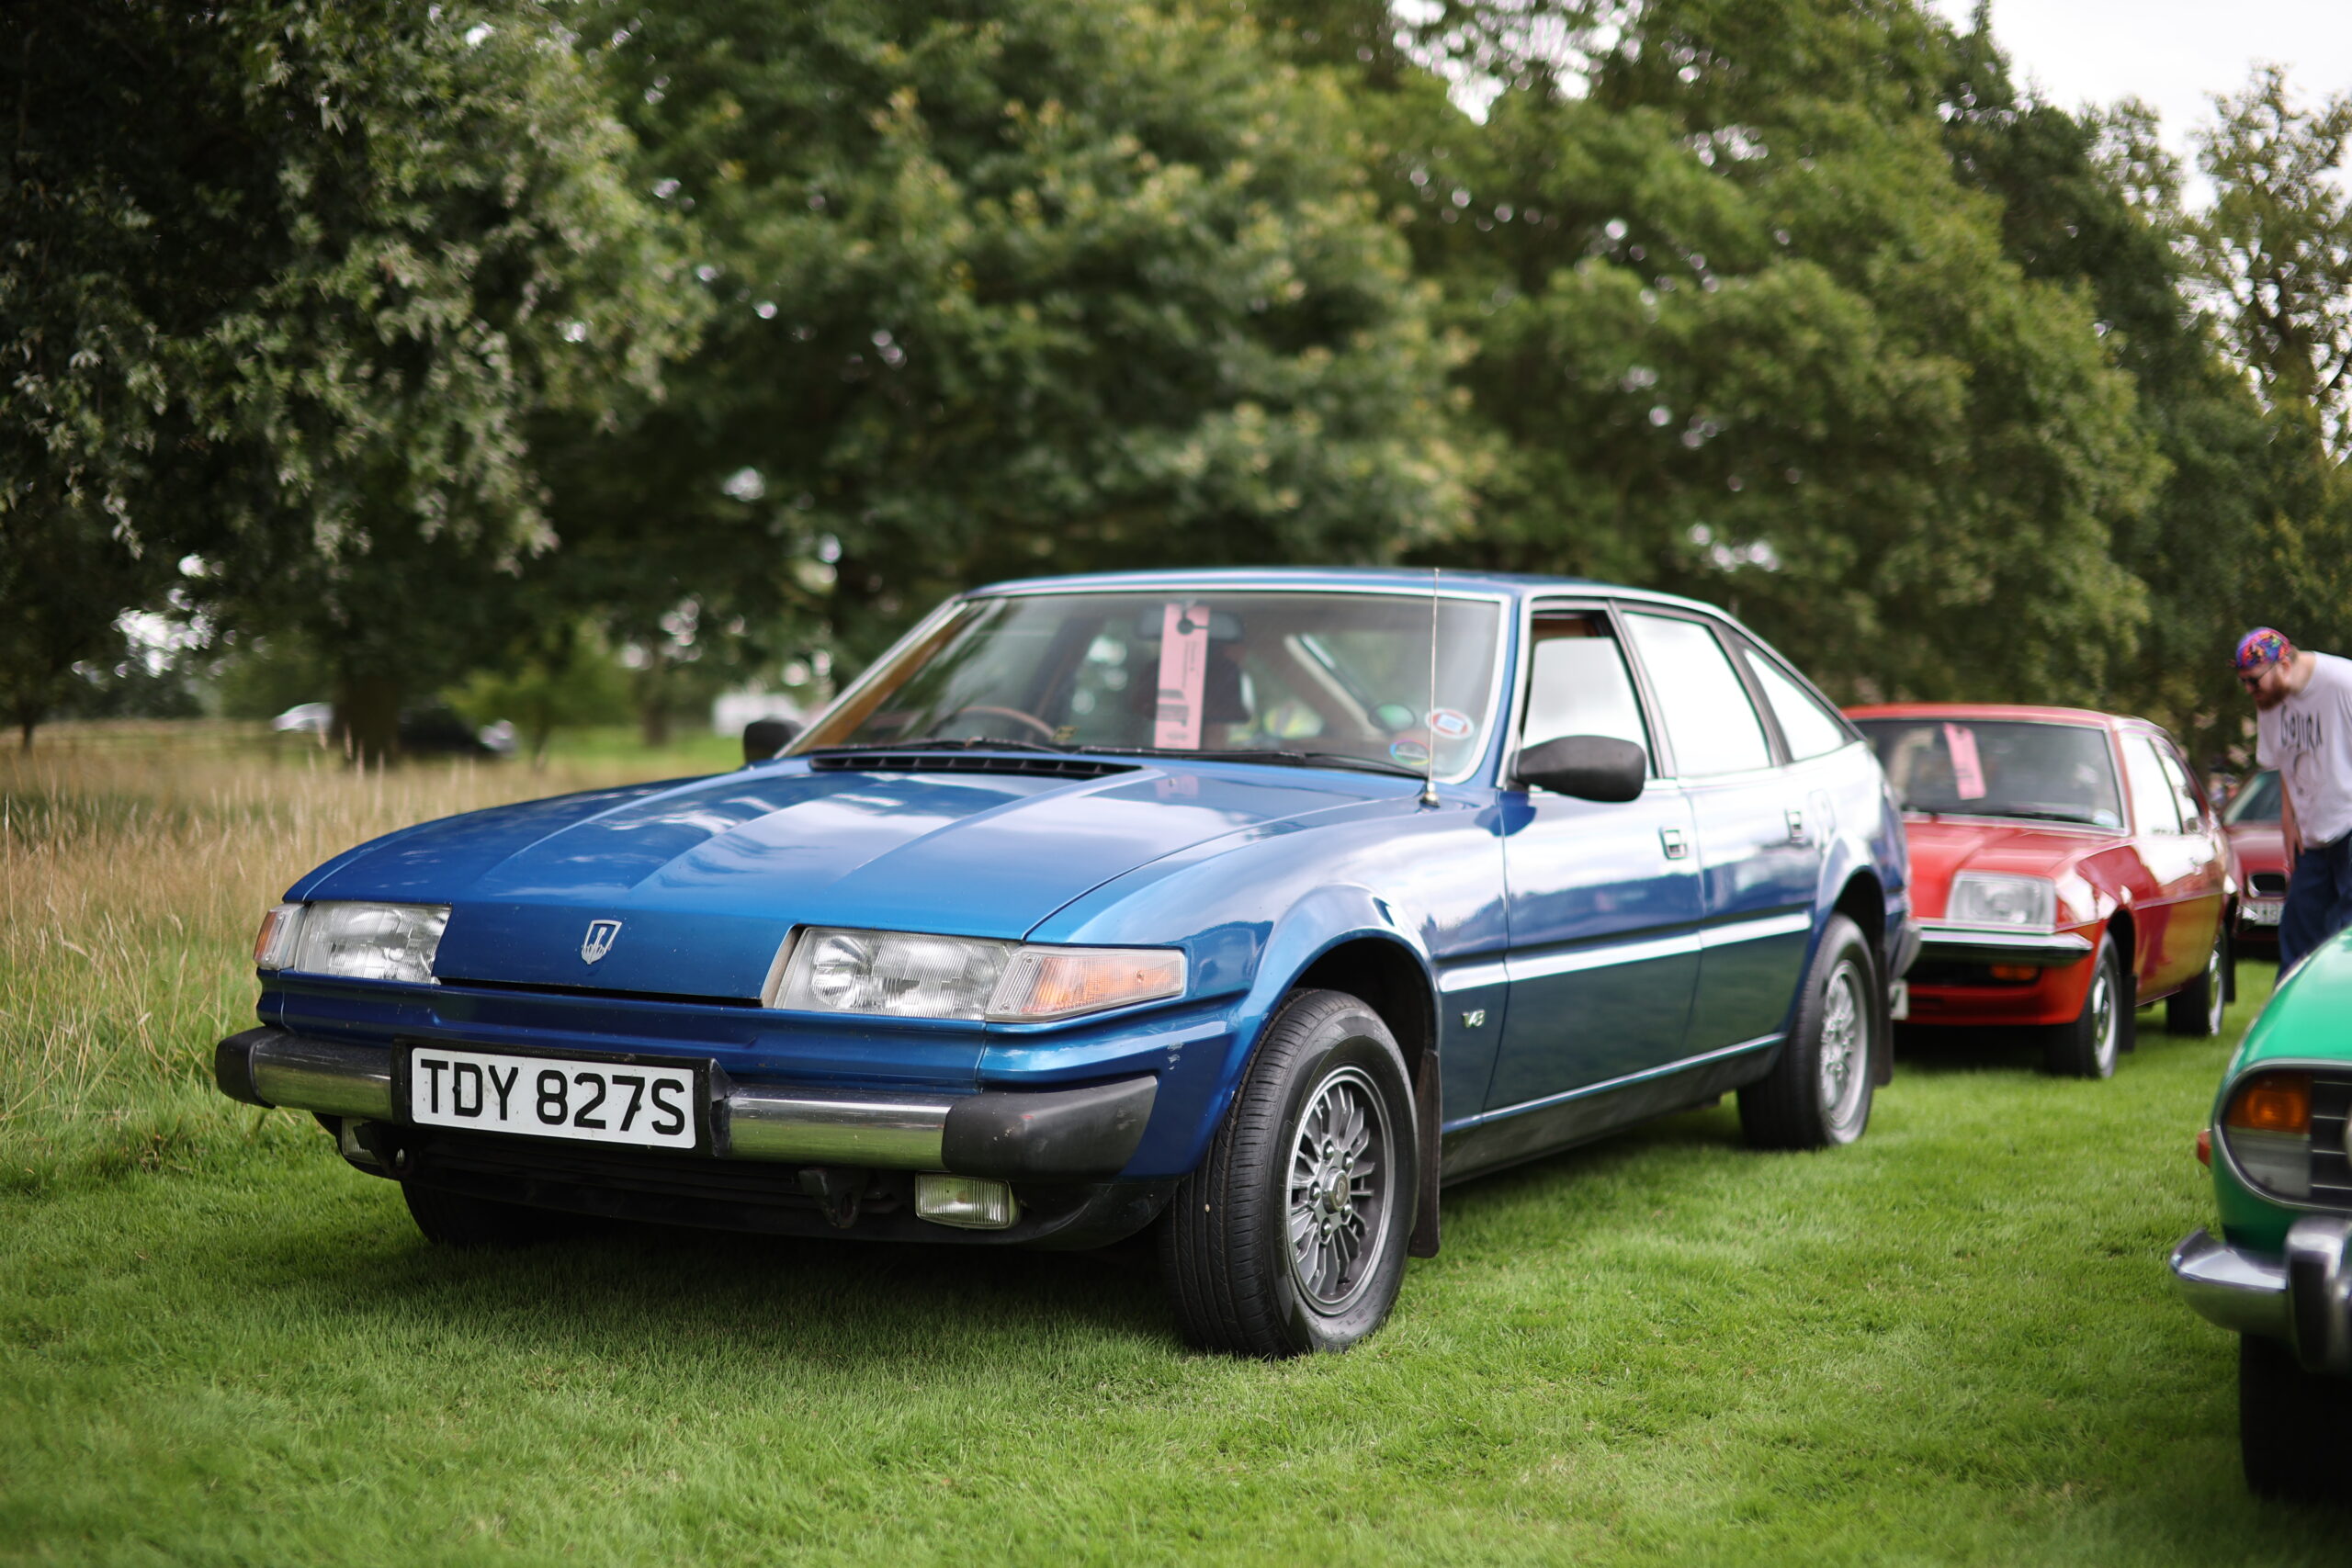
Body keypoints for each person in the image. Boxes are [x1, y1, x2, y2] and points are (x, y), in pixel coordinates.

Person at [2240, 627, 2352, 974]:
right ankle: (2289, 1025)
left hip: (2349, 827)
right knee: (2297, 941)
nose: (2249, 691)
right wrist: (2289, 822)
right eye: (2243, 682)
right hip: (2313, 840)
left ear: (2284, 664)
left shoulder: (2342, 682)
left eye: (2254, 681)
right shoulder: (2270, 700)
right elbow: (2286, 764)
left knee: (2343, 939)